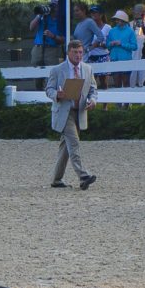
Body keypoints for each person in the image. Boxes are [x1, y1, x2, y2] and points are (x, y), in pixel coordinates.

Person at [45, 39, 97, 190]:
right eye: (75, 52)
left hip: (79, 112)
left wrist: (93, 100)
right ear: (68, 52)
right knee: (73, 143)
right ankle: (83, 176)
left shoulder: (88, 69)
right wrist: (57, 94)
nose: (78, 55)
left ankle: (56, 180)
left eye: (80, 52)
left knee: (66, 148)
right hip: (63, 112)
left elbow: (93, 89)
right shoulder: (57, 70)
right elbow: (48, 89)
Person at [105, 10, 138, 88]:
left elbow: (134, 46)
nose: (117, 21)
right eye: (116, 19)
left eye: (118, 19)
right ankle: (118, 100)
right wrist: (111, 43)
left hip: (126, 60)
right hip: (114, 59)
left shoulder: (130, 31)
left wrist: (121, 44)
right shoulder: (112, 31)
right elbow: (107, 45)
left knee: (126, 83)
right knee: (116, 83)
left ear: (124, 20)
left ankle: (127, 100)